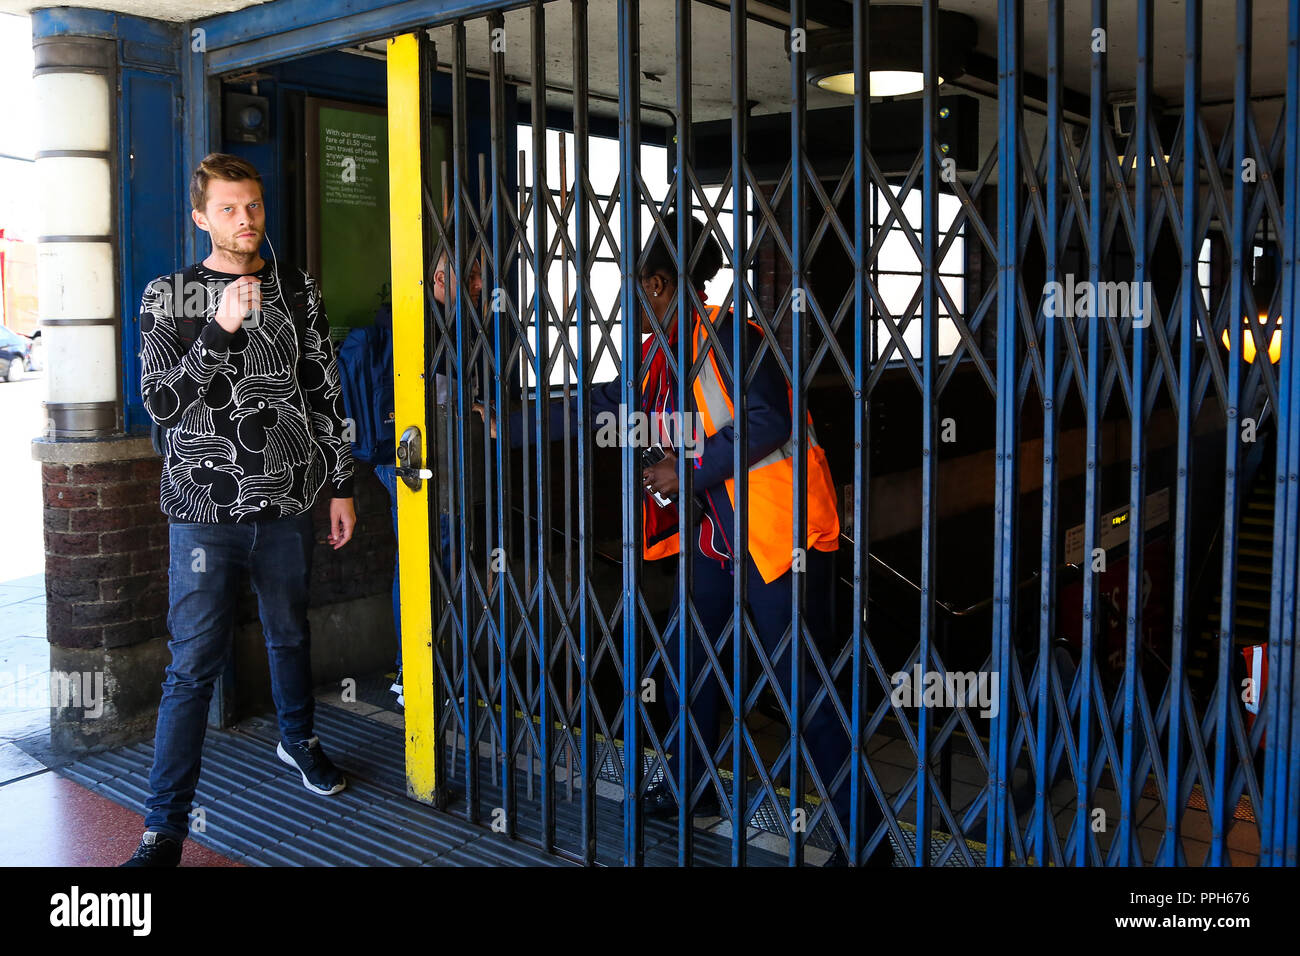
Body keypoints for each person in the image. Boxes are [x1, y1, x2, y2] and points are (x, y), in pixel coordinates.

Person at [479, 211, 888, 866]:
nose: (627, 299)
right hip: (720, 540)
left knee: (804, 692)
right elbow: (603, 401)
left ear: (662, 283)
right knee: (684, 664)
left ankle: (865, 840)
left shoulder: (733, 338)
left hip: (783, 541)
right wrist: (513, 424)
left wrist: (684, 468)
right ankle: (692, 786)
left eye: (635, 283)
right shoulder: (658, 356)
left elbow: (769, 419)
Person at [123, 153, 356, 867]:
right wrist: (220, 326)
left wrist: (340, 482)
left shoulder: (296, 288)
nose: (245, 219)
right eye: (228, 208)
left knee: (290, 634)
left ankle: (300, 740)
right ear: (201, 217)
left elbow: (323, 388)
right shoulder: (171, 295)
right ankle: (163, 831)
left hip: (285, 502)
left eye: (252, 206)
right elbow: (161, 403)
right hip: (201, 509)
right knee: (193, 666)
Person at [367, 253, 481, 706]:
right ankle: (412, 670)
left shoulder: (425, 317)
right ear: (439, 277)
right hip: (418, 460)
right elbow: (429, 400)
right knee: (426, 558)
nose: (477, 286)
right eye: (470, 276)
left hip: (412, 457)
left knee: (424, 557)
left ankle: (419, 665)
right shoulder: (422, 324)